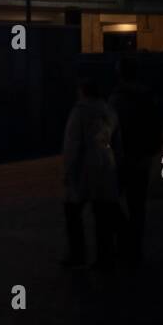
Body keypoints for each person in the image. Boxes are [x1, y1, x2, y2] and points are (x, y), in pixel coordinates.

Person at [61, 78, 122, 269]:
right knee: (102, 213)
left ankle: (78, 254)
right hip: (106, 163)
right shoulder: (108, 111)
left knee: (73, 211)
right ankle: (106, 255)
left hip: (85, 167)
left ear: (82, 91)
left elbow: (72, 144)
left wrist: (68, 171)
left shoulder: (80, 112)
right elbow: (118, 142)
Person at [110, 57, 162, 266]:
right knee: (138, 207)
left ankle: (125, 243)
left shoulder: (117, 98)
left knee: (109, 200)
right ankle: (135, 250)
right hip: (142, 159)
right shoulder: (147, 97)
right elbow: (157, 125)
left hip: (122, 159)